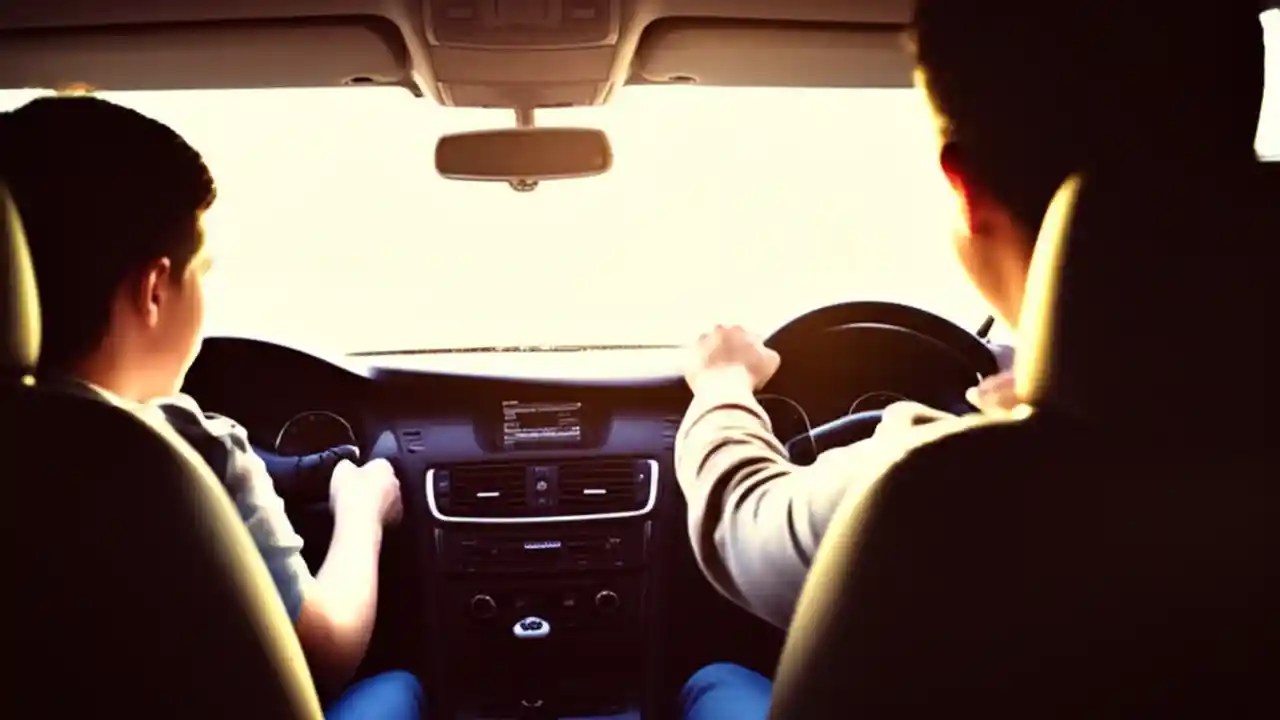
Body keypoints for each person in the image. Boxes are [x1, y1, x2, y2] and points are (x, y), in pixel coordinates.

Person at [674, 2, 1268, 718]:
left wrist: (723, 385)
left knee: (712, 683)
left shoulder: (938, 495)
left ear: (963, 186)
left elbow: (741, 519)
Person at [0, 95, 422, 719]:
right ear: (154, 289)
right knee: (400, 689)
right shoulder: (189, 447)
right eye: (204, 270)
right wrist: (361, 512)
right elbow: (325, 652)